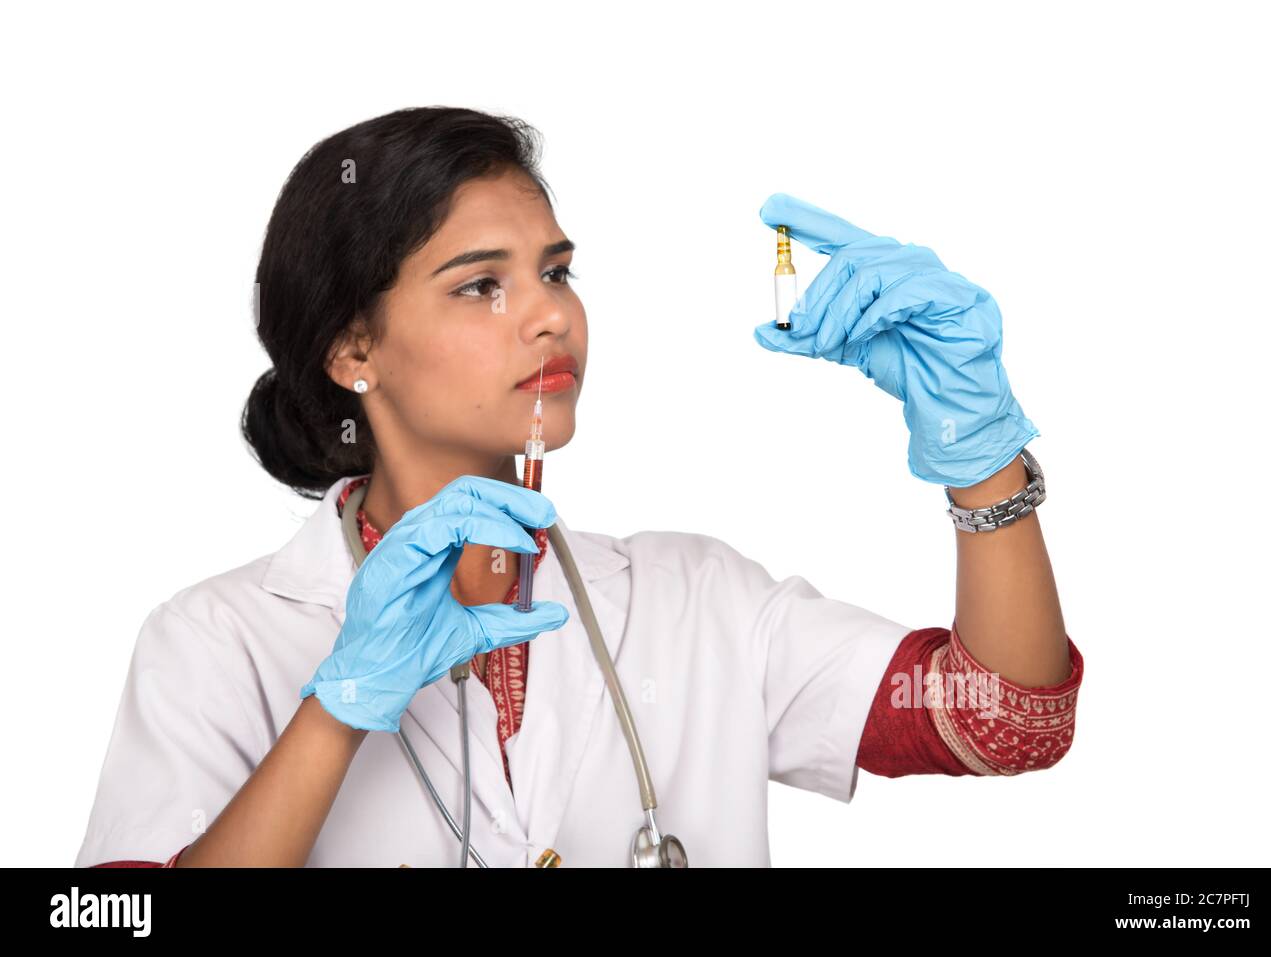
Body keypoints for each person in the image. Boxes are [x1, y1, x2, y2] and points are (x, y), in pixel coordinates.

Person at [75, 106, 1084, 869]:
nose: (551, 317)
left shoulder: (700, 601)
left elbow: (1006, 722)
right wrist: (339, 707)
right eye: (482, 285)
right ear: (352, 349)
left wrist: (978, 454)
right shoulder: (215, 641)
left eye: (556, 272)